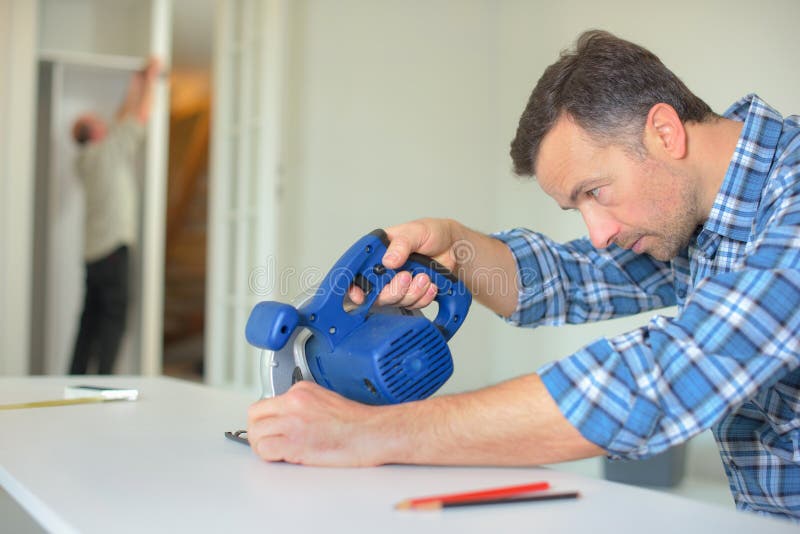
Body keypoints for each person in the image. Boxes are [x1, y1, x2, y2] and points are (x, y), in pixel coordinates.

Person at [246, 31, 800, 520]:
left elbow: (666, 376)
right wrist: (454, 247)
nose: (599, 231)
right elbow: (575, 276)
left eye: (594, 192)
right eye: (577, 208)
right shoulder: (705, 217)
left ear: (664, 132)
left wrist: (371, 433)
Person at [68, 57, 161, 375]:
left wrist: (135, 84)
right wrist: (152, 79)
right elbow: (139, 117)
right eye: (98, 120)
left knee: (90, 321)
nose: (105, 121)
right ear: (95, 133)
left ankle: (75, 377)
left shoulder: (86, 160)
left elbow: (123, 118)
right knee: (112, 321)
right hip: (111, 252)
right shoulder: (109, 151)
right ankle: (105, 382)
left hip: (93, 255)